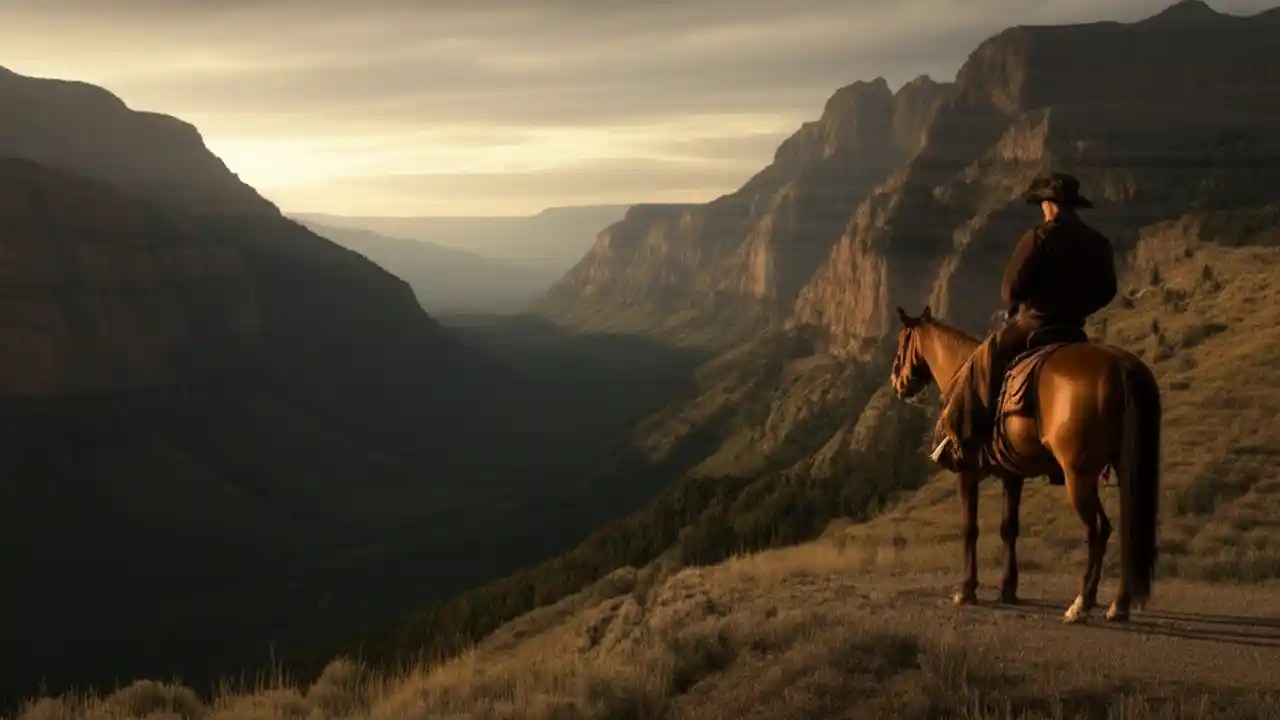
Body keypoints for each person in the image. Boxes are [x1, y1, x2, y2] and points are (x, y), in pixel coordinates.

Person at [930, 172, 1117, 471]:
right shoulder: (1098, 242)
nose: (1043, 208)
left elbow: (1010, 290)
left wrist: (1034, 299)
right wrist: (1080, 306)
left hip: (1035, 325)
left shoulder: (1039, 238)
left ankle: (966, 442)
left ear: (1051, 204)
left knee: (984, 358)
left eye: (1044, 203)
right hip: (1074, 329)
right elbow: (1108, 291)